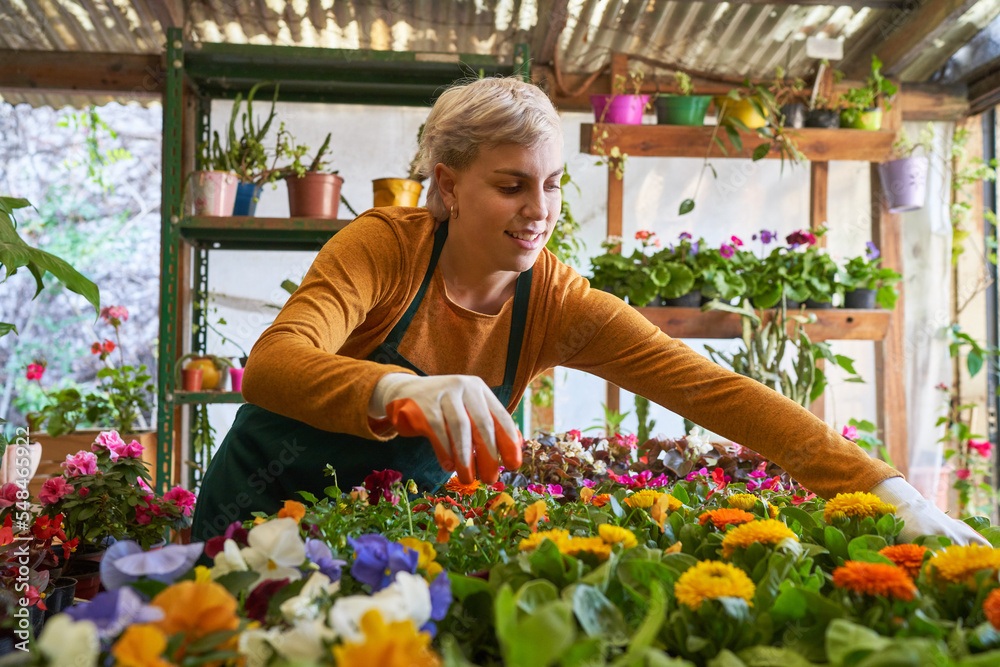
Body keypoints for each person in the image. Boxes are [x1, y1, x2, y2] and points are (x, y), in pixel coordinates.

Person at [190, 76, 983, 547]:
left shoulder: (555, 302)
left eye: (554, 183)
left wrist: (893, 494)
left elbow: (715, 392)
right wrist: (403, 390)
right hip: (251, 519)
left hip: (381, 548)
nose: (540, 210)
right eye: (511, 185)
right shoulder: (385, 248)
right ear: (447, 185)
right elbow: (273, 364)